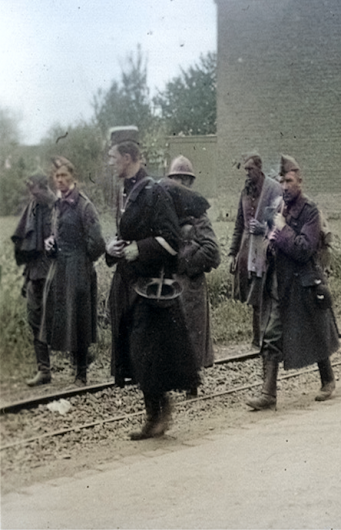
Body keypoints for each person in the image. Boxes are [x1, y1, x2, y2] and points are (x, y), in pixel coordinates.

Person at [105, 128, 199, 440]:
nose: (111, 162)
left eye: (114, 157)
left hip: (151, 290)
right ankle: (155, 415)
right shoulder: (126, 191)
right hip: (130, 286)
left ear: (128, 157)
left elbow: (172, 239)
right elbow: (128, 233)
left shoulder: (153, 191)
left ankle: (158, 415)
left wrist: (139, 249)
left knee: (147, 354)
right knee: (138, 354)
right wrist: (114, 248)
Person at [246, 155, 340, 410]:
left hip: (304, 283)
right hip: (280, 284)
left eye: (289, 181)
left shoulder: (310, 211)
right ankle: (268, 394)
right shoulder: (280, 208)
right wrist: (269, 239)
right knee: (271, 336)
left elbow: (304, 249)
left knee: (316, 331)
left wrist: (282, 229)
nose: (285, 186)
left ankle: (328, 380)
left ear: (300, 181)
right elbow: (271, 238)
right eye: (282, 181)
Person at [38, 157, 105, 387]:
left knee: (79, 317)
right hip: (61, 269)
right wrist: (51, 245)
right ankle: (74, 368)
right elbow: (58, 234)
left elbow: (97, 243)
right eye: (57, 177)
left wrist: (82, 259)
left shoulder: (84, 206)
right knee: (64, 317)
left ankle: (82, 373)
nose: (60, 180)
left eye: (64, 176)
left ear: (73, 178)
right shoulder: (57, 205)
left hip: (78, 269)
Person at [162, 156, 221, 397]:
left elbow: (212, 251)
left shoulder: (198, 216)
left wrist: (184, 259)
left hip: (191, 286)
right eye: (175, 181)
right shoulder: (165, 213)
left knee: (190, 334)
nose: (179, 186)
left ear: (189, 183)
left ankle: (191, 385)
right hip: (169, 284)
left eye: (183, 181)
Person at [228, 153, 282, 351]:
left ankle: (265, 338)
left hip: (268, 249)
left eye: (250, 169)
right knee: (254, 295)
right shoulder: (245, 191)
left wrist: (264, 228)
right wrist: (233, 254)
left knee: (266, 292)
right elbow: (239, 223)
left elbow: (278, 219)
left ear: (259, 168)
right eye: (245, 170)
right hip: (248, 250)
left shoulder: (272, 189)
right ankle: (257, 337)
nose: (247, 173)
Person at [12, 173, 55, 387]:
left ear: (43, 187)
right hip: (34, 273)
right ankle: (44, 370)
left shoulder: (57, 207)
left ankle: (80, 359)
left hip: (53, 272)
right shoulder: (33, 207)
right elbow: (25, 242)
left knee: (59, 320)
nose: (32, 192)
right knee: (35, 320)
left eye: (34, 188)